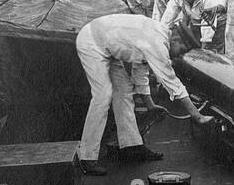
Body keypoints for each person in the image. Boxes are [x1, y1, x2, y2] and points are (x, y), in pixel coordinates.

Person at [75, 13, 213, 176]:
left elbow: (140, 69)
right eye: (180, 50)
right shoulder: (157, 42)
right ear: (176, 39)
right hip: (91, 42)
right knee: (103, 95)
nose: (177, 55)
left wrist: (150, 105)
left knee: (125, 90)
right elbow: (170, 81)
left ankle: (131, 146)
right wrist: (198, 116)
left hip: (107, 46)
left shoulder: (157, 36)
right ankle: (86, 157)